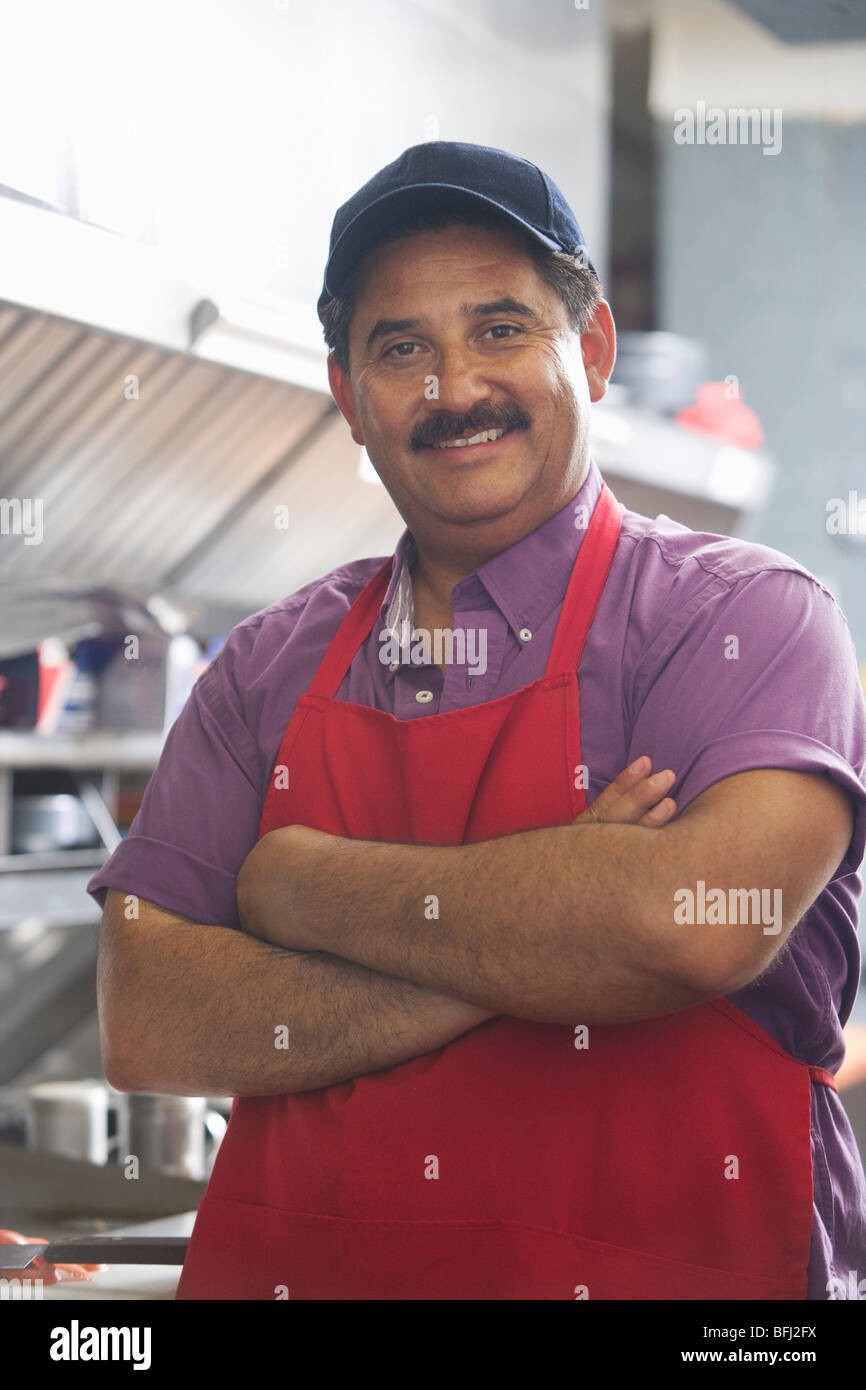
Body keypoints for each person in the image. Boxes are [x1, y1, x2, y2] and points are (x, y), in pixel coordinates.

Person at [90, 141, 866, 1300]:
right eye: (400, 348)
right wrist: (557, 929)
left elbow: (693, 927)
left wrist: (301, 886)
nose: (453, 389)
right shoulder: (264, 668)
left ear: (591, 349)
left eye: (500, 328)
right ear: (349, 400)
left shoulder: (744, 620)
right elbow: (147, 1020)